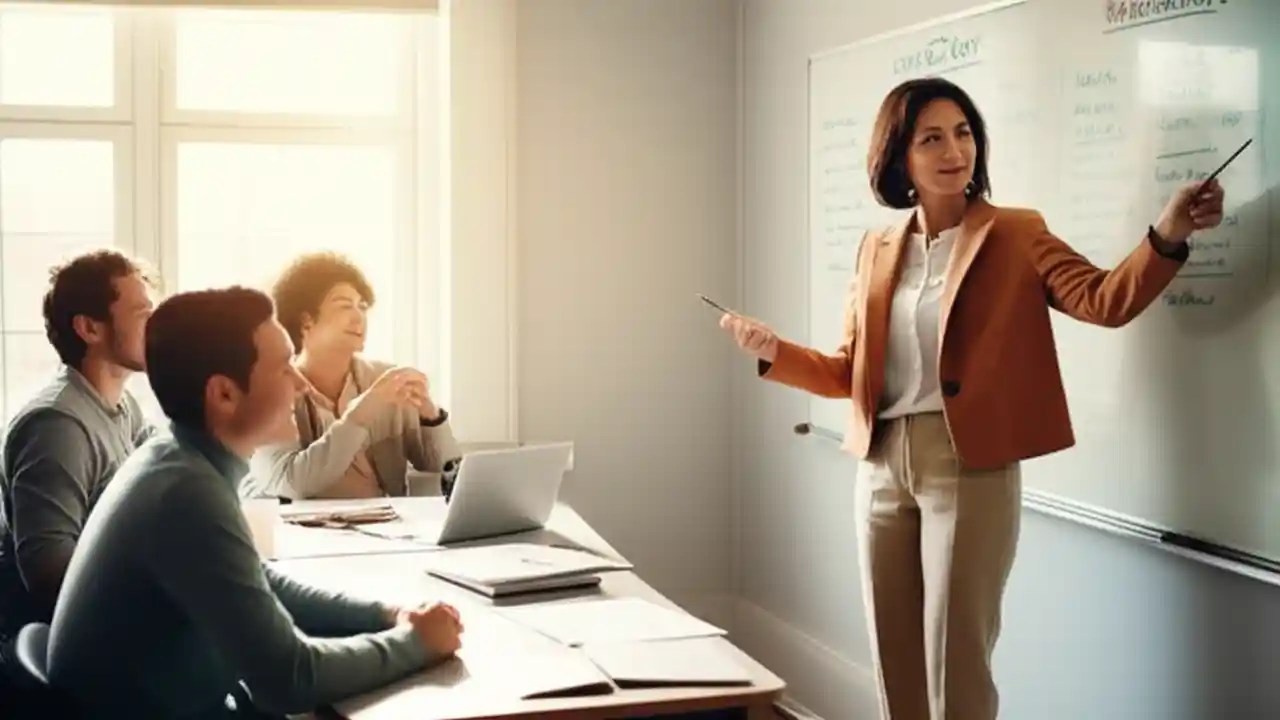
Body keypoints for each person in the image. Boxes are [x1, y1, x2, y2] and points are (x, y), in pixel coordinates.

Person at [719, 77, 1224, 720]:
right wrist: (774, 350)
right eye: (931, 138)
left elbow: (1104, 300)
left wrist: (1168, 232)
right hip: (880, 466)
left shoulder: (1014, 233)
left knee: (956, 665)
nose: (954, 151)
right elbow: (849, 372)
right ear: (899, 157)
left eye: (963, 133)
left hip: (966, 463)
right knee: (896, 663)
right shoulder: (877, 248)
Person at [48, 287, 463, 718]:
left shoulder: (177, 457)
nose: (301, 384)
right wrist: (417, 643)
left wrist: (385, 615)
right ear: (224, 394)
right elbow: (290, 680)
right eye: (284, 368)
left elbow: (261, 582)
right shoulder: (186, 495)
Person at [0, 250, 155, 642]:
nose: (157, 326)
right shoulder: (57, 425)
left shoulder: (124, 407)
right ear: (89, 328)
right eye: (142, 314)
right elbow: (49, 573)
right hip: (75, 642)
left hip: (111, 624)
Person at [242, 253, 460, 499]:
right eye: (345, 306)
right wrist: (364, 410)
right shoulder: (271, 391)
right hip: (302, 523)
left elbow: (444, 468)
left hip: (383, 520)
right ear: (306, 321)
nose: (359, 317)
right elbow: (292, 482)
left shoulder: (385, 379)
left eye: (362, 307)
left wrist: (431, 417)